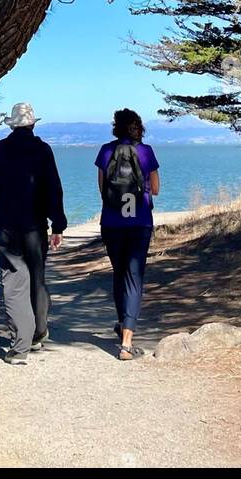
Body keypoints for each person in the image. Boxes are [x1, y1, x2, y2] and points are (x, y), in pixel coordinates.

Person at [0, 103, 67, 364]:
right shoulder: (42, 150)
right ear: (32, 124)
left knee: (14, 283)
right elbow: (53, 187)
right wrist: (59, 225)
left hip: (6, 225)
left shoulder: (0, 149)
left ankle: (20, 347)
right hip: (35, 226)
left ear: (12, 125)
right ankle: (38, 333)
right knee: (37, 278)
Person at [95, 108, 160, 361]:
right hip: (139, 223)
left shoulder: (105, 151)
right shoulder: (146, 152)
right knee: (134, 277)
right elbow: (155, 189)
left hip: (111, 223)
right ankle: (126, 343)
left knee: (119, 273)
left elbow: (102, 189)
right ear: (138, 128)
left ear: (116, 128)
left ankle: (122, 321)